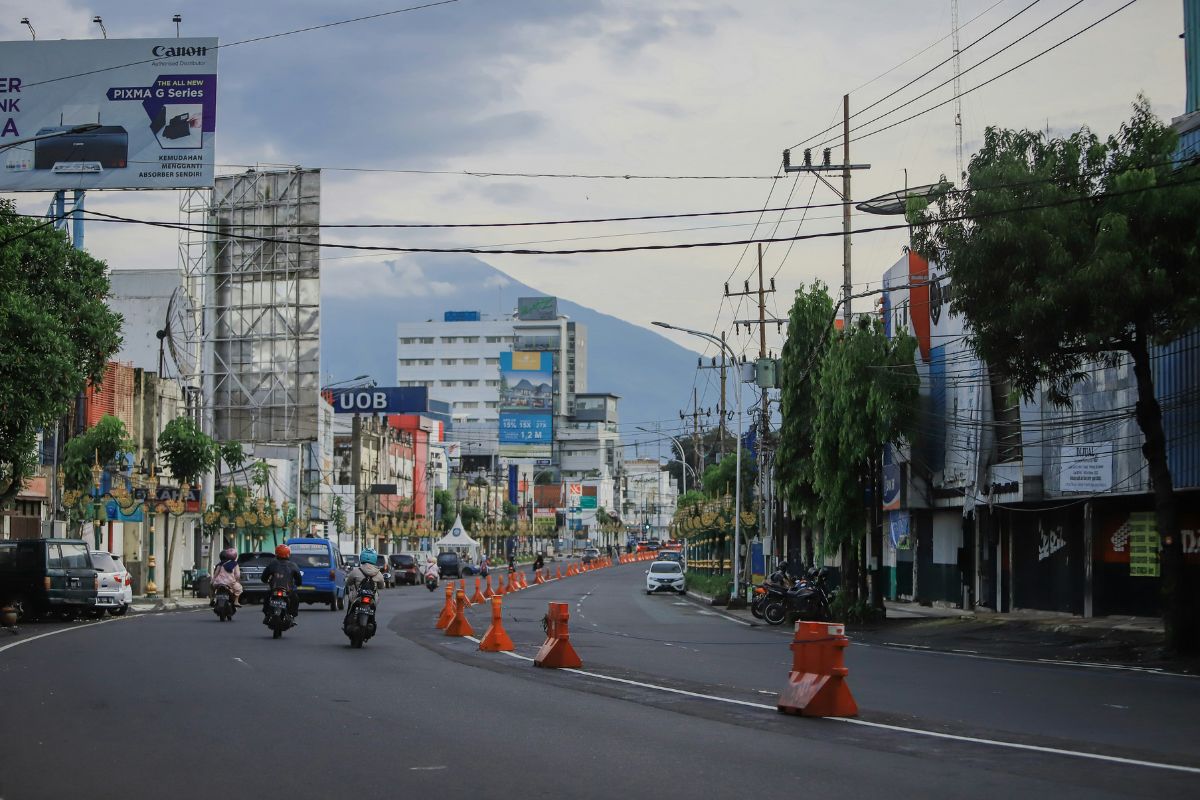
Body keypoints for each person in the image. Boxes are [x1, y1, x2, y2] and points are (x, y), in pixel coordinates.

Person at [260, 544, 303, 619]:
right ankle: (292, 615)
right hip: (288, 591)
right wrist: (298, 583)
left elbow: (264, 577)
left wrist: (266, 580)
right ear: (288, 554)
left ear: (276, 553)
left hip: (274, 590)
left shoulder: (272, 564)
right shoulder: (293, 565)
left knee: (267, 597)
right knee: (295, 598)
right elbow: (299, 580)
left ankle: (267, 614)